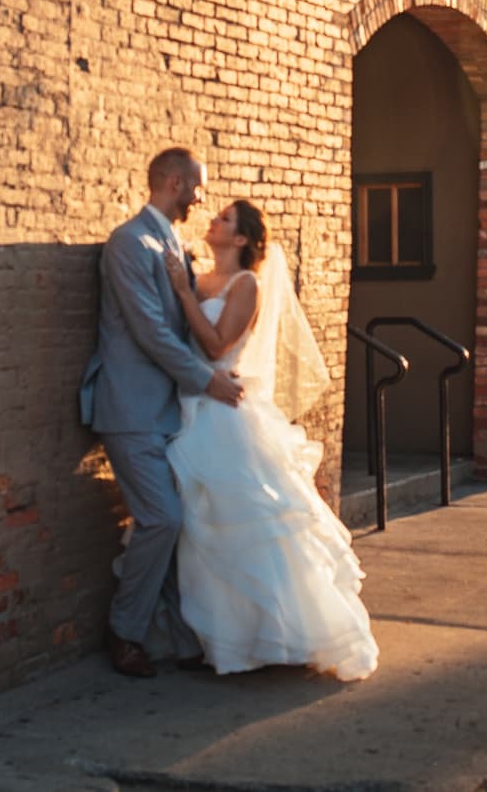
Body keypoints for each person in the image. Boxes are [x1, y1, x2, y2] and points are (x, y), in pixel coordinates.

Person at [163, 198, 378, 681]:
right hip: (191, 407)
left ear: (240, 239)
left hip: (227, 410)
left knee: (245, 522)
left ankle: (281, 633)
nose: (213, 222)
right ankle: (223, 640)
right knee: (201, 526)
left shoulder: (246, 285)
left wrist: (181, 295)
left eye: (224, 220)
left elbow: (217, 344)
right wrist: (185, 287)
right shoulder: (200, 277)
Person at [80, 147, 244, 679]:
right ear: (175, 182)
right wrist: (205, 381)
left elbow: (186, 325)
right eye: (197, 187)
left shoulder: (174, 245)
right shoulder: (129, 244)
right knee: (163, 518)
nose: (201, 198)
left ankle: (177, 635)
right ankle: (124, 632)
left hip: (170, 414)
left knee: (179, 524)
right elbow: (150, 331)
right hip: (129, 410)